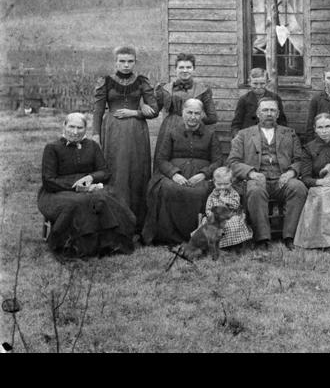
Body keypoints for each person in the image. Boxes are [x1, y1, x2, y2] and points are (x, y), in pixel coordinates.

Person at [38, 112, 137, 257]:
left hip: (90, 188)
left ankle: (110, 242)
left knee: (106, 198)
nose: (75, 132)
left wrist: (91, 177)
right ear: (64, 126)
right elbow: (49, 180)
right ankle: (75, 246)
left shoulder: (92, 146)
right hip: (56, 192)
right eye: (71, 127)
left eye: (80, 128)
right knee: (78, 202)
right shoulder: (52, 148)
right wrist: (76, 186)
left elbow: (105, 172)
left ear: (86, 129)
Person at [90, 45, 159, 231]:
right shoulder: (105, 82)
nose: (126, 65)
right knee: (116, 170)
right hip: (112, 130)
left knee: (136, 171)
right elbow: (97, 110)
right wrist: (96, 134)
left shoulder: (142, 81)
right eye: (122, 61)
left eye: (130, 61)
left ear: (135, 62)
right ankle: (115, 220)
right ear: (115, 62)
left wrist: (136, 112)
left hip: (136, 131)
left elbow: (154, 111)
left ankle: (137, 221)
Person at [226, 96, 308, 251]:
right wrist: (251, 173)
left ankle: (290, 236)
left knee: (298, 187)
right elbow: (232, 162)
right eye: (265, 110)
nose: (269, 113)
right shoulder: (243, 134)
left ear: (278, 114)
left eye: (272, 110)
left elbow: (300, 159)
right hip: (257, 178)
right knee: (255, 190)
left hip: (282, 180)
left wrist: (291, 172)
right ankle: (262, 238)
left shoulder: (289, 133)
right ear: (258, 113)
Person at [145, 97, 221, 246]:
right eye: (189, 112)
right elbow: (161, 159)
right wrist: (174, 174)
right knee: (167, 188)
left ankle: (198, 235)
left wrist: (203, 174)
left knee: (201, 192)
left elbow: (218, 161)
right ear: (183, 113)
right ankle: (168, 236)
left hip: (200, 176)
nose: (193, 117)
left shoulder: (210, 134)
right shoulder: (172, 132)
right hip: (175, 175)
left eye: (197, 113)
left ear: (202, 115)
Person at [154, 52, 216, 146]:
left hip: (194, 130)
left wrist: (194, 120)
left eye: (188, 67)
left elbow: (213, 117)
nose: (185, 70)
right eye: (181, 67)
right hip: (170, 129)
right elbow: (154, 111)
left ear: (193, 69)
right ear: (175, 69)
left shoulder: (203, 90)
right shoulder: (165, 89)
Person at [194, 165, 253, 254]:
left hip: (230, 216)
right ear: (214, 182)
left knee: (233, 223)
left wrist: (224, 199)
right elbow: (208, 208)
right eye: (219, 184)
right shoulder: (212, 195)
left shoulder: (233, 193)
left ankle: (231, 245)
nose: (222, 187)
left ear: (231, 182)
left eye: (226, 184)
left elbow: (235, 205)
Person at [230, 68, 283, 135]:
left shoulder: (275, 98)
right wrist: (238, 138)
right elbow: (236, 124)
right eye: (255, 83)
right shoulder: (244, 100)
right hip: (249, 137)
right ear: (249, 82)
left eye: (262, 83)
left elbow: (282, 121)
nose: (258, 87)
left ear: (267, 82)